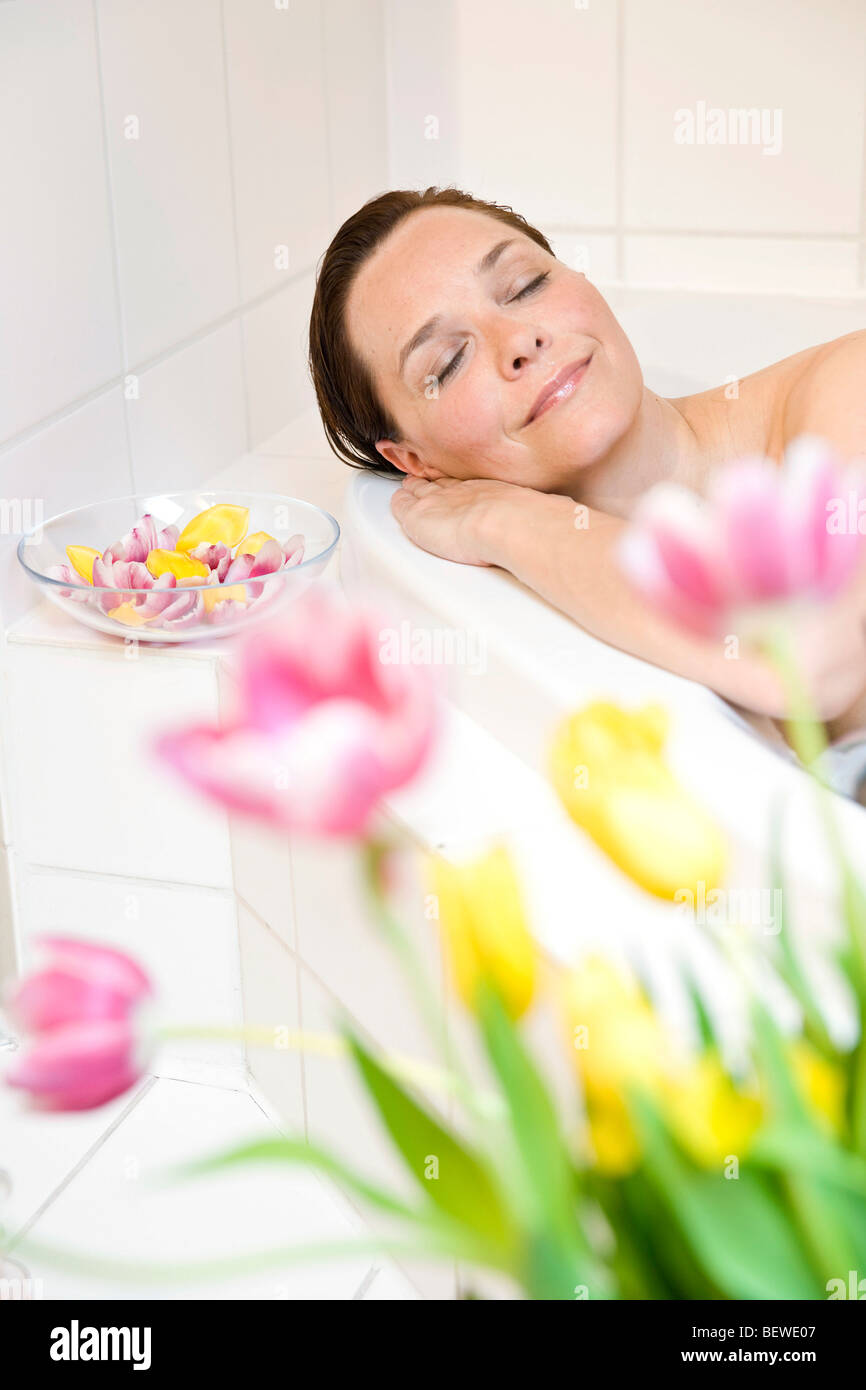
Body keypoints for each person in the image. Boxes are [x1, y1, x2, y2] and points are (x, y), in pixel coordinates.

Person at [309, 186, 866, 751]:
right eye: (449, 363)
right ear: (414, 462)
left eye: (526, 285)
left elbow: (807, 659)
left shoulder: (848, 381)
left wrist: (511, 523)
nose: (520, 339)